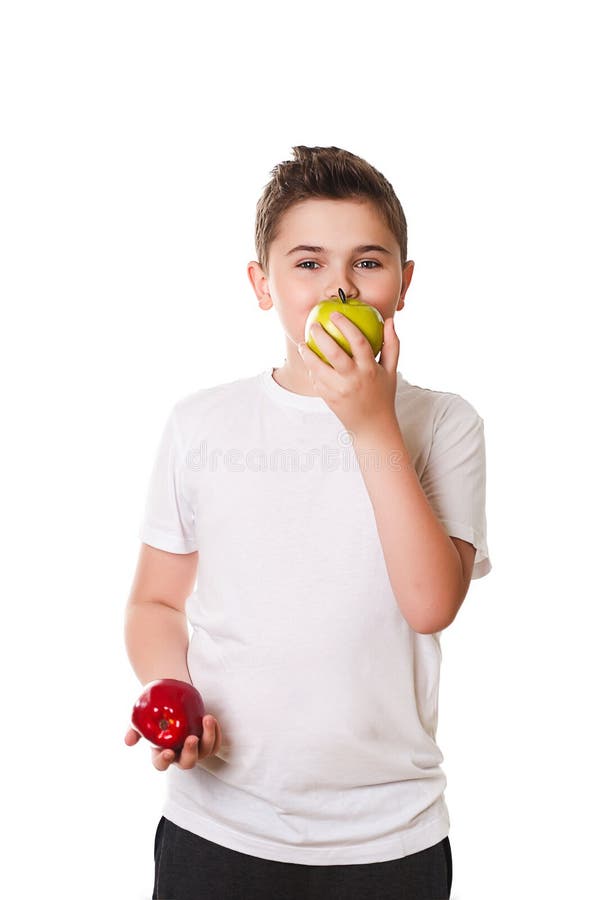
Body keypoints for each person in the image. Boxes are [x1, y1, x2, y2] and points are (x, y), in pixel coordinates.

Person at [124, 145, 492, 899]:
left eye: (367, 262)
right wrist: (172, 692)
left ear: (404, 284)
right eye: (307, 263)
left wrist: (369, 424)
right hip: (217, 827)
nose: (338, 286)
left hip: (389, 837)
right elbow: (156, 600)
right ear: (262, 284)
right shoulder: (203, 423)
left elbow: (430, 605)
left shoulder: (444, 423)